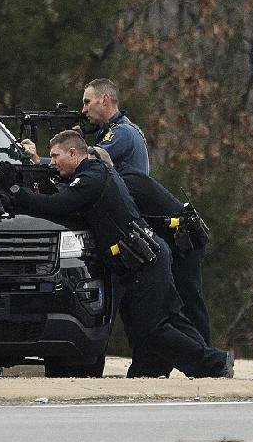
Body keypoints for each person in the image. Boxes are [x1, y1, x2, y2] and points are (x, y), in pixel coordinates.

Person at [8, 130, 232, 379]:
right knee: (170, 319)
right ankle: (194, 365)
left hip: (144, 262)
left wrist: (17, 192)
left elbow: (59, 204)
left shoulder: (91, 177)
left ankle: (213, 363)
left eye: (55, 156)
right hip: (146, 259)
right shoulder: (95, 173)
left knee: (151, 328)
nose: (53, 162)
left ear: (73, 153)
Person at [90, 147, 212, 378]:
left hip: (182, 243)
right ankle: (161, 365)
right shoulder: (123, 176)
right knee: (167, 309)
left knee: (186, 303)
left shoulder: (125, 182)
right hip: (167, 246)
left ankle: (205, 359)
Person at [81, 78, 149, 174]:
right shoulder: (117, 128)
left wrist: (71, 144)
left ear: (104, 100)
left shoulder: (122, 131)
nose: (83, 110)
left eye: (87, 102)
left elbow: (85, 162)